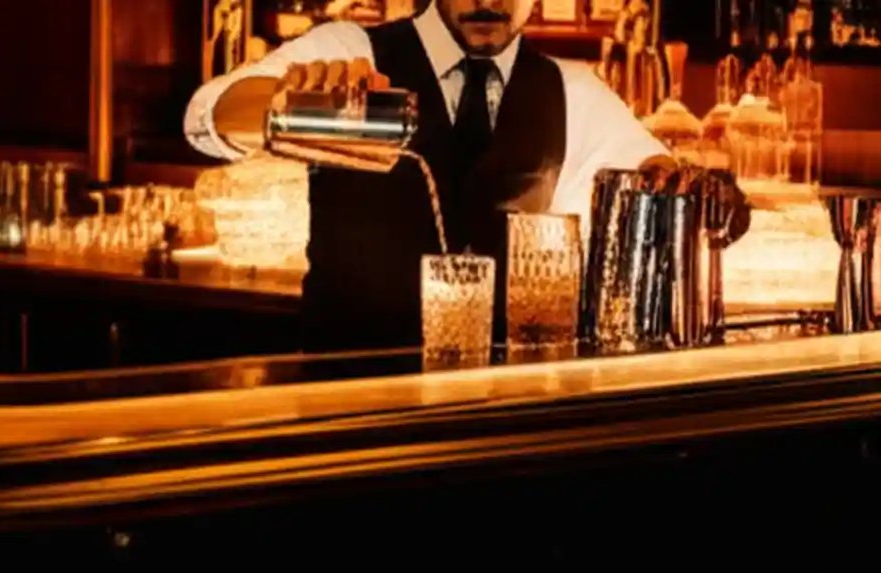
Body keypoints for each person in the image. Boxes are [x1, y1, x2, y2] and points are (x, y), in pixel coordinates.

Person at [184, 0, 676, 352]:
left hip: (503, 410)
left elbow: (662, 177)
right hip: (350, 399)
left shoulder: (571, 87)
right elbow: (205, 118)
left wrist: (682, 182)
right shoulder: (351, 49)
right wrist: (281, 101)